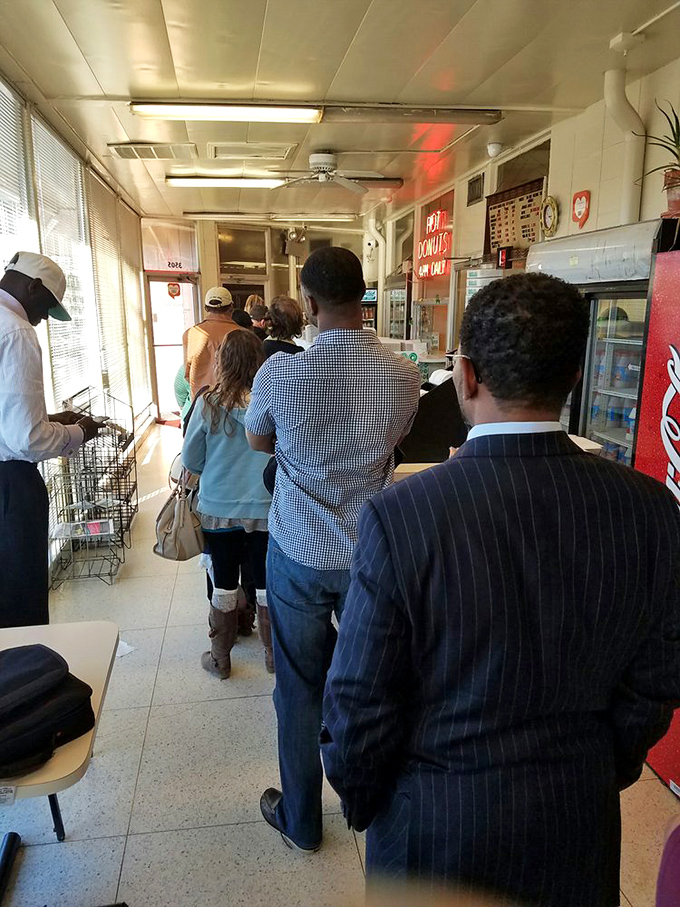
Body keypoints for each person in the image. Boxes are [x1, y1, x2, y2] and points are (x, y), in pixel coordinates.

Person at [321, 272, 680, 907]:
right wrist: (598, 769)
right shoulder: (651, 509)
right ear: (575, 377)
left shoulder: (403, 515)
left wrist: (367, 798)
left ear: (465, 375)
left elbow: (359, 698)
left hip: (434, 827)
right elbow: (656, 677)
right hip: (576, 820)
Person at [245, 246, 421, 853]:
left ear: (309, 303)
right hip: (372, 553)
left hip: (297, 548)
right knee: (374, 681)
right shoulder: (402, 374)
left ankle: (301, 820)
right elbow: (396, 440)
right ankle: (371, 805)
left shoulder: (280, 373)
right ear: (364, 296)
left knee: (298, 687)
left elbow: (257, 440)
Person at [0, 251, 101, 628]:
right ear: (34, 287)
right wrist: (80, 432)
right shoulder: (16, 332)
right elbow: (27, 439)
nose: (44, 318)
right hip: (9, 486)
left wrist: (49, 420)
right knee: (18, 599)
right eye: (47, 306)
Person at [182, 329, 273, 678]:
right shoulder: (270, 402)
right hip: (265, 508)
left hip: (218, 509)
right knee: (265, 583)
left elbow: (192, 460)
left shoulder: (207, 404)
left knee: (223, 581)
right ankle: (272, 656)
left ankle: (220, 658)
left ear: (222, 362)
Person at [183, 286, 240, 397]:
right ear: (231, 307)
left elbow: (187, 375)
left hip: (201, 400)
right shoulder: (242, 335)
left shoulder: (190, 334)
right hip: (233, 400)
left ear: (206, 307)